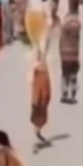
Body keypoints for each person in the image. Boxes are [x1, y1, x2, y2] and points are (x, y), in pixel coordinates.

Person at [30, 18, 54, 146]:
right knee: (40, 106)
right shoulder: (39, 60)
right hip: (40, 74)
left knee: (41, 106)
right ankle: (37, 131)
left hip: (41, 74)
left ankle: (38, 131)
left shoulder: (40, 54)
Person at [59, 0, 82, 103]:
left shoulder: (66, 21)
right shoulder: (77, 22)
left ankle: (64, 93)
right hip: (74, 53)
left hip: (65, 53)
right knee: (73, 74)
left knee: (65, 74)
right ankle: (73, 93)